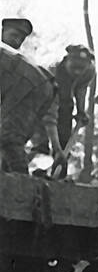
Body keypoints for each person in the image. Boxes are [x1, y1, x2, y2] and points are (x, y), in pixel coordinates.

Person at [0, 44, 59, 175]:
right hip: (41, 84)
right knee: (10, 140)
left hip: (27, 84)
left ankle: (23, 185)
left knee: (9, 139)